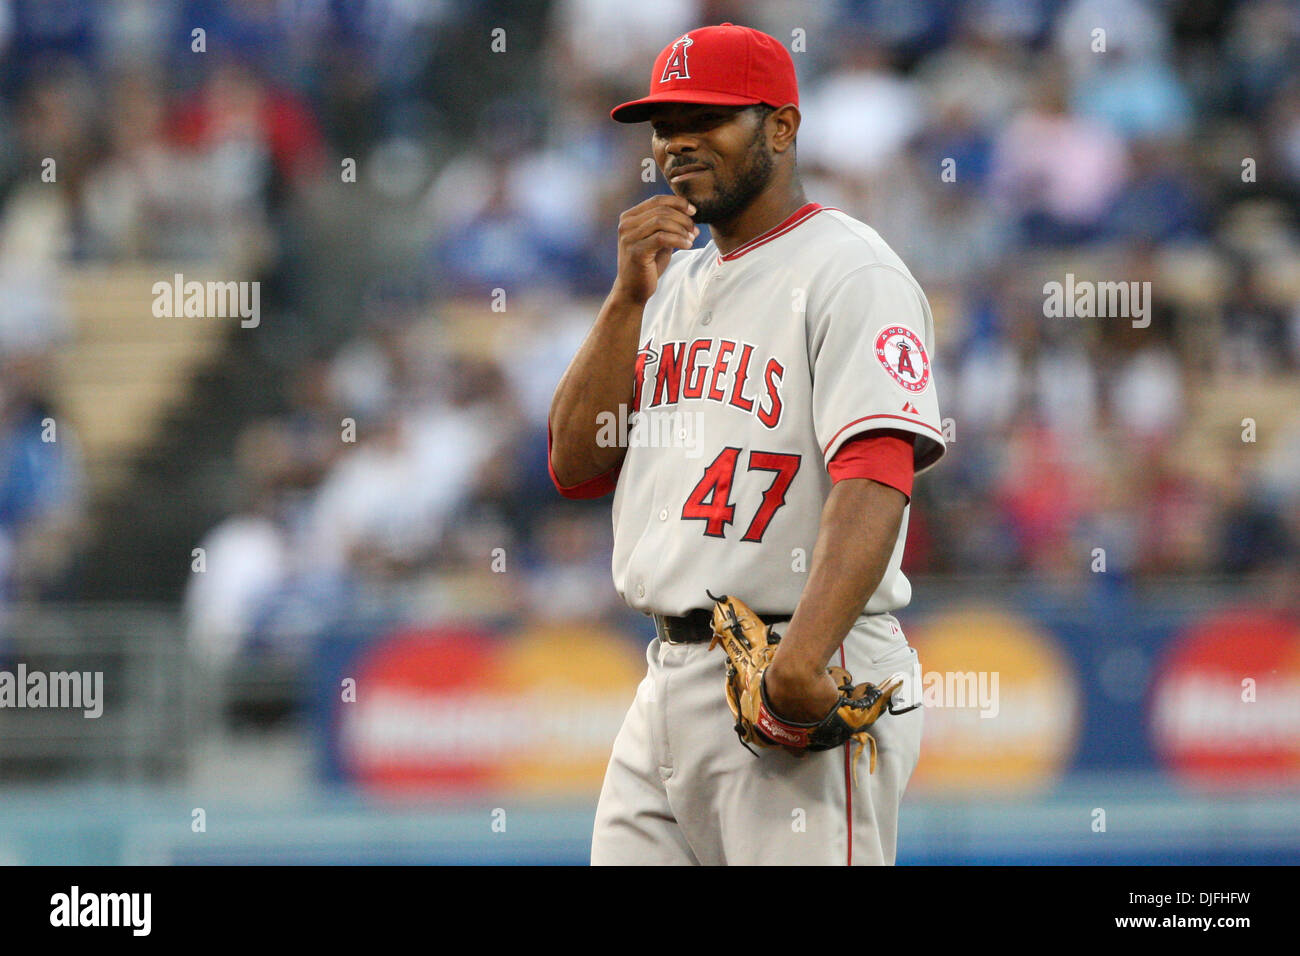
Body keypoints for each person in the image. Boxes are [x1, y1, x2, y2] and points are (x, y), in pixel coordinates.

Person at [548, 23, 947, 865]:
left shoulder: (852, 270)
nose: (676, 143)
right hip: (668, 678)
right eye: (663, 124)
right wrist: (625, 298)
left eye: (707, 117)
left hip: (795, 654)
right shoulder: (665, 284)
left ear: (781, 127)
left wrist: (801, 661)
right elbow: (574, 464)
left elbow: (877, 474)